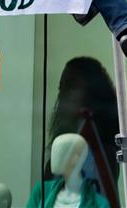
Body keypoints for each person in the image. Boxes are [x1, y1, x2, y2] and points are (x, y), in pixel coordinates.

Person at [47, 57, 120, 207]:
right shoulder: (56, 160)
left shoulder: (105, 155)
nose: (62, 96)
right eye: (61, 88)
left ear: (93, 95)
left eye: (71, 86)